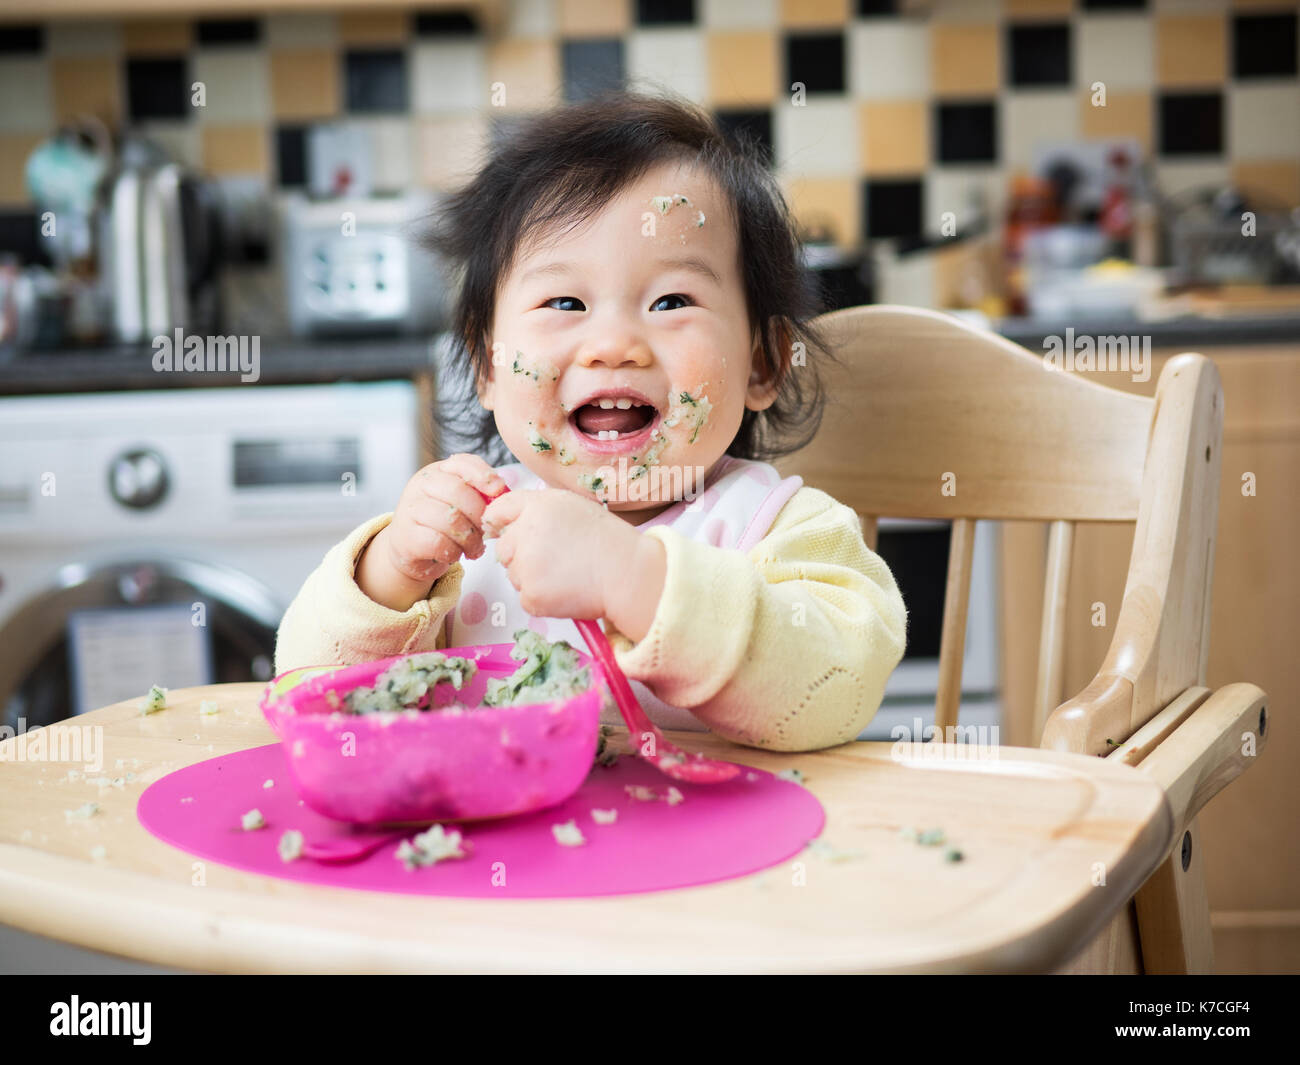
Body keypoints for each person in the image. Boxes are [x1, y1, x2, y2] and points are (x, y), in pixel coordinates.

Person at [275, 91, 906, 753]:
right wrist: (390, 573)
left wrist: (631, 577)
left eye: (670, 300)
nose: (613, 343)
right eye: (565, 300)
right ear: (486, 366)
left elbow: (833, 691)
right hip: (517, 855)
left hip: (733, 856)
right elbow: (310, 689)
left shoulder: (780, 529)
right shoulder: (470, 544)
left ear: (761, 364)